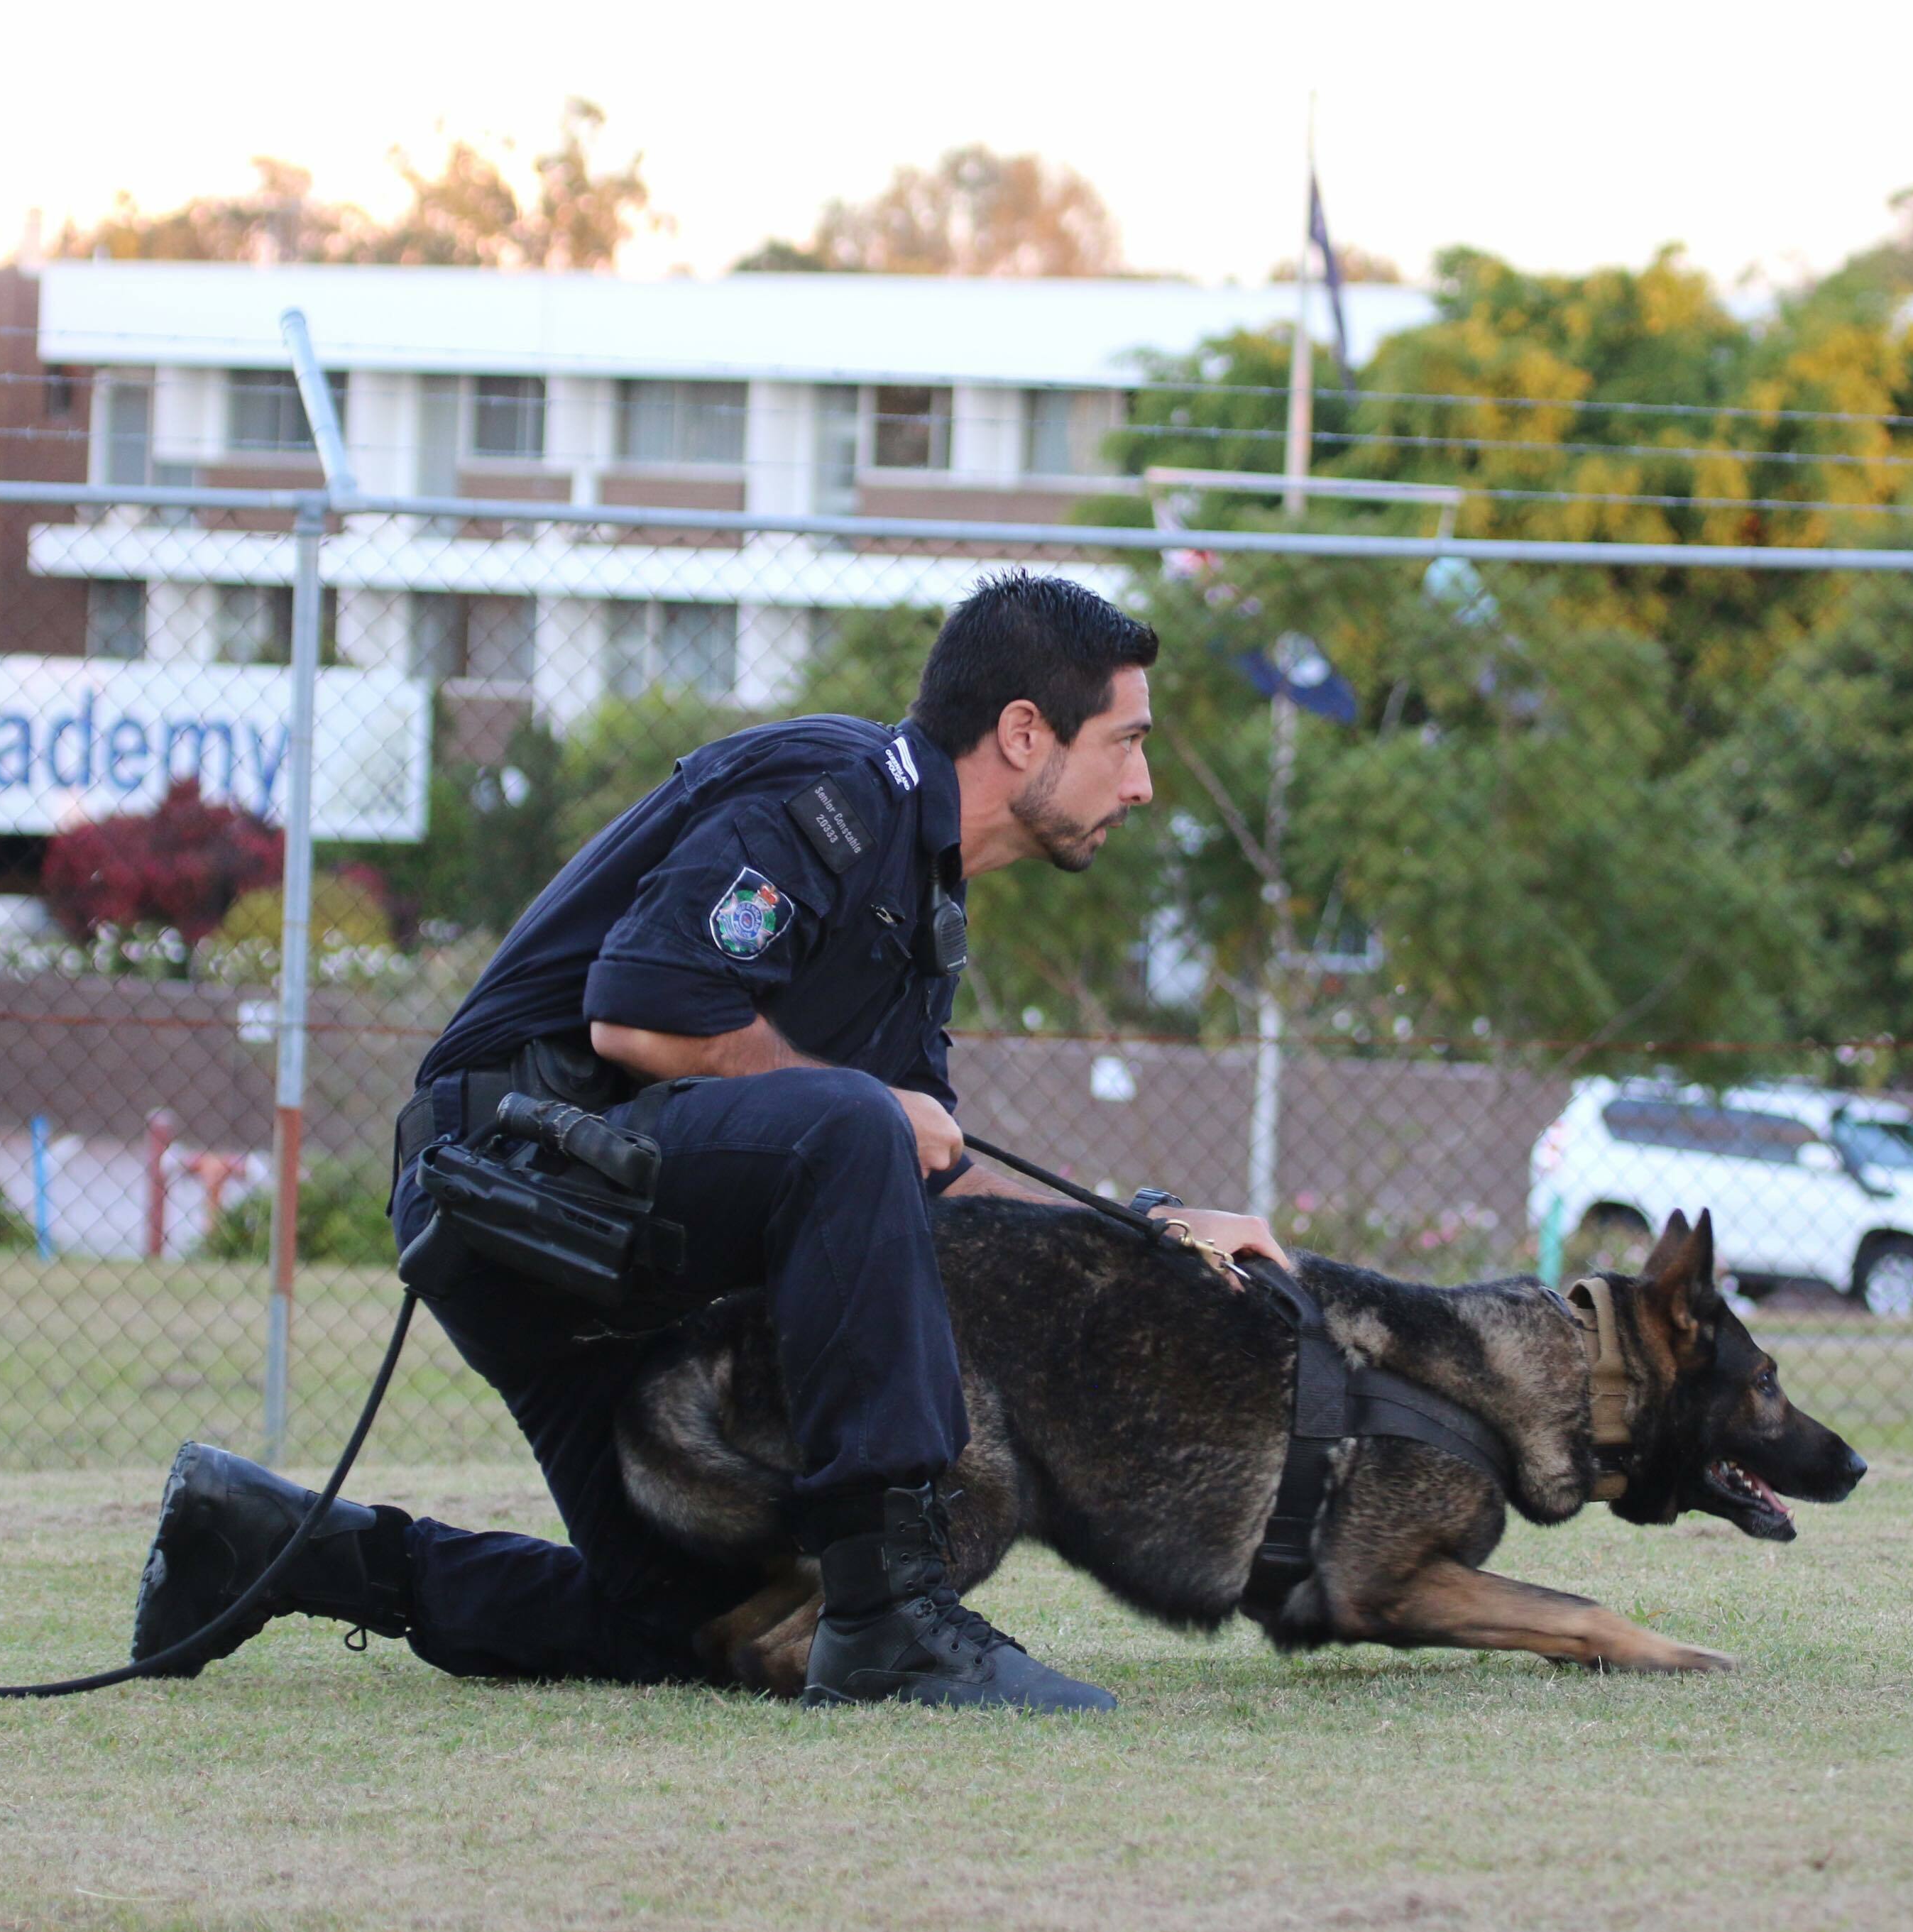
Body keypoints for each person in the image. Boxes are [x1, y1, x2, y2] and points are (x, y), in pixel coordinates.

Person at [128, 573, 1288, 1711]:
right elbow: (641, 1013)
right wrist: (871, 1106)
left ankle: (275, 1542)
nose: (1141, 784)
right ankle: (890, 1609)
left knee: (689, 1625)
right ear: (1026, 732)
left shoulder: (926, 900)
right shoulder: (838, 794)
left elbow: (926, 1167)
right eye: (1127, 743)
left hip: (610, 1232)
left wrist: (1153, 1235)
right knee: (851, 1119)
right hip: (512, 1178)